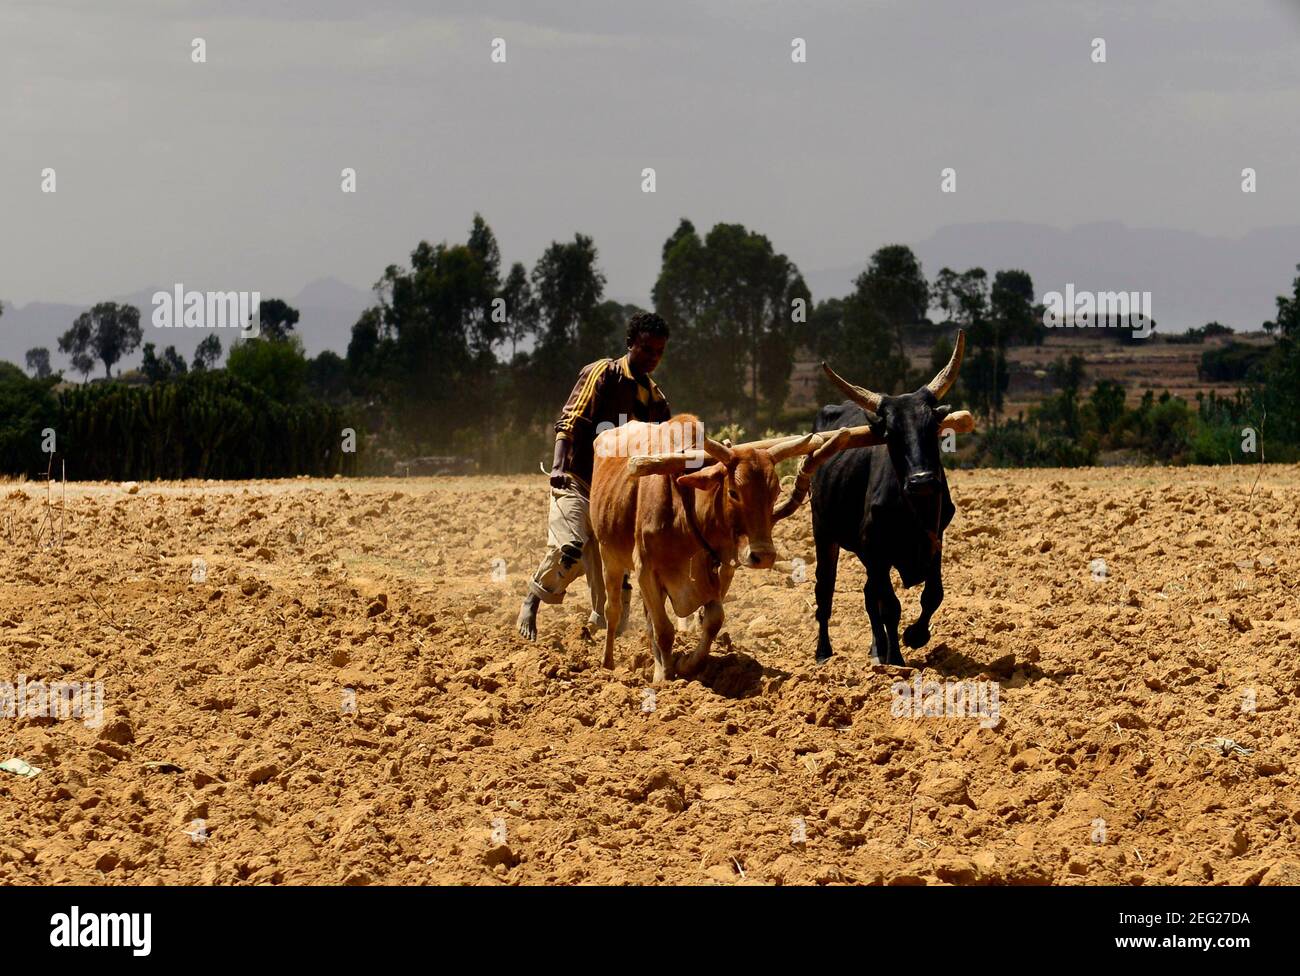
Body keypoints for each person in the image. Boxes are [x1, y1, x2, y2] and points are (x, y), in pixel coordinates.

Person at [515, 311, 671, 640]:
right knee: (568, 550)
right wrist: (558, 466)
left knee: (618, 576)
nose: (652, 358)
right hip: (577, 479)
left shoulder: (657, 401)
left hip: (615, 500)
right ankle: (532, 600)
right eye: (646, 349)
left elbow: (663, 451)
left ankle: (599, 634)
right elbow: (570, 419)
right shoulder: (604, 373)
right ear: (630, 344)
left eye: (658, 352)